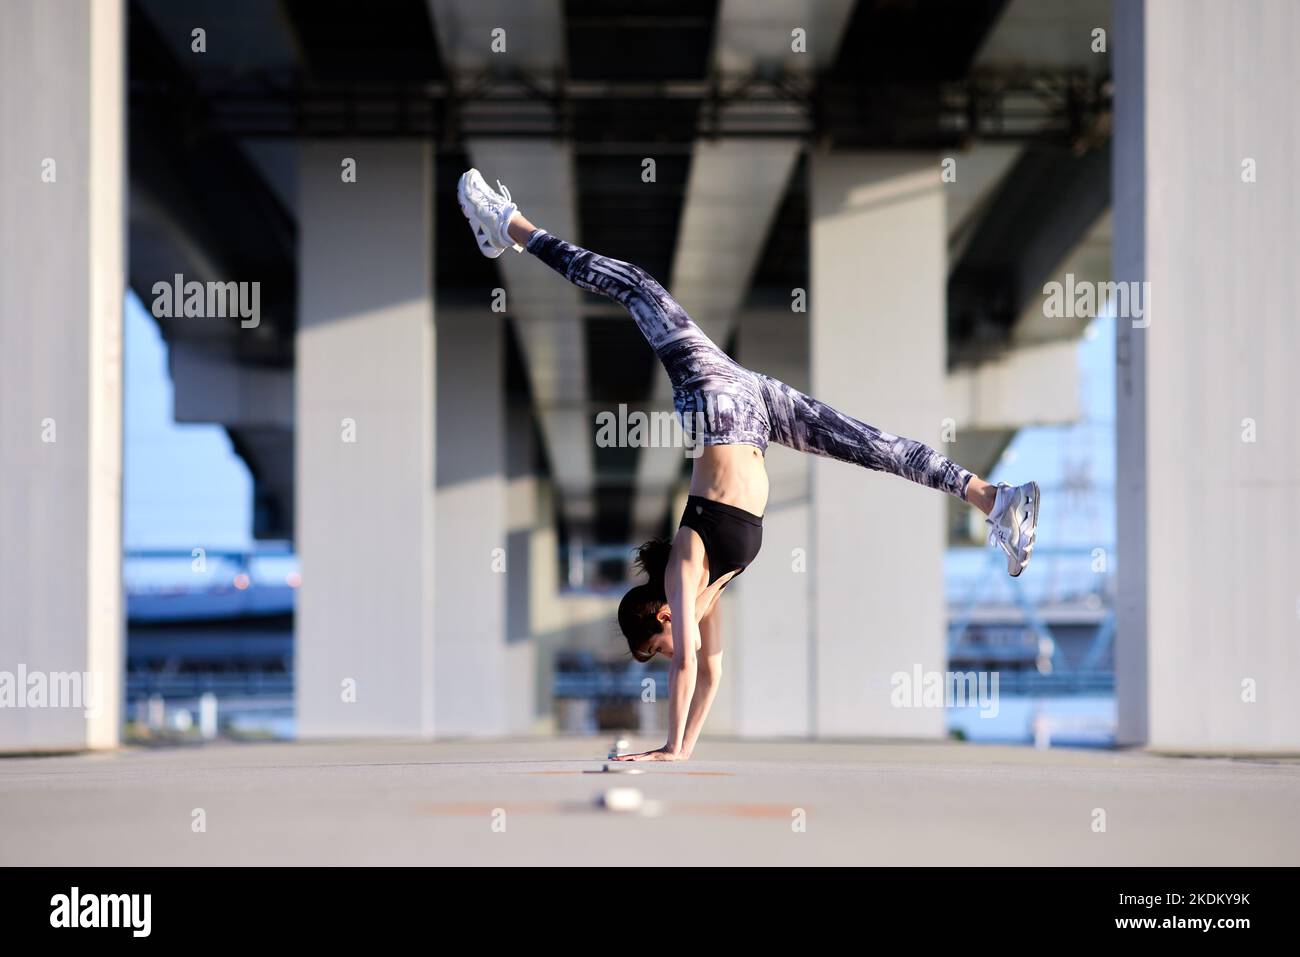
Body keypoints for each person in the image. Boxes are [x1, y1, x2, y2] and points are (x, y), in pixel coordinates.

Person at [457, 168, 1039, 761]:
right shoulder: (710, 595)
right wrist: (682, 750)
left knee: (638, 287)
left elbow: (684, 666)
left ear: (661, 614)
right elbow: (709, 673)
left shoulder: (687, 566)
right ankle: (994, 498)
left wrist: (664, 743)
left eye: (656, 644)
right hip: (758, 410)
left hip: (716, 402)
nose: (668, 649)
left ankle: (507, 223)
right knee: (876, 448)